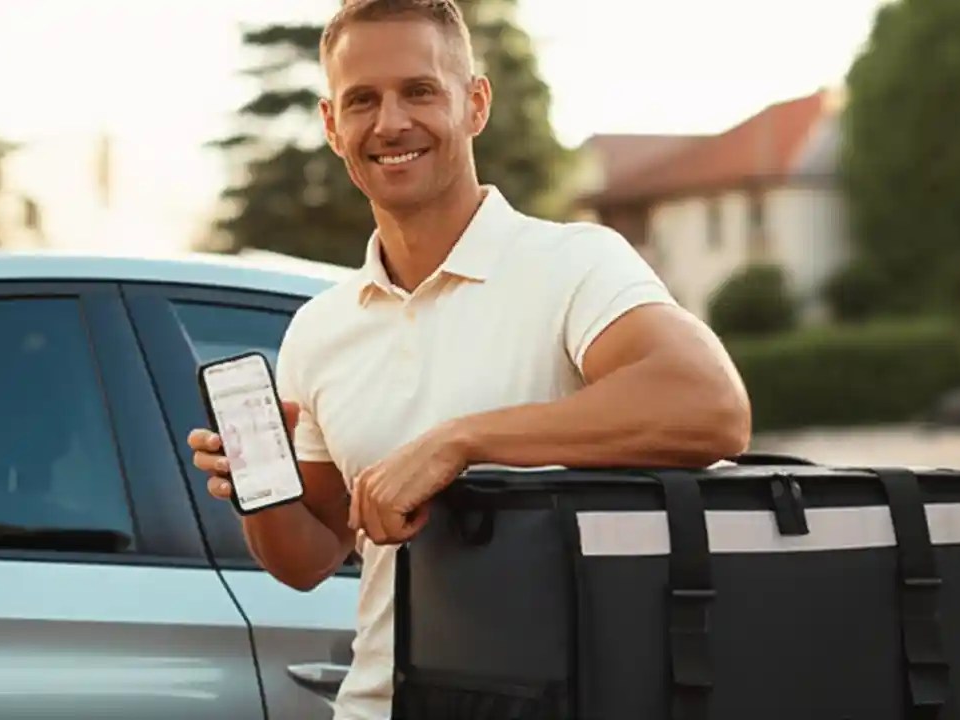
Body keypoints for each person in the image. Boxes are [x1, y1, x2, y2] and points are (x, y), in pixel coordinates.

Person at [187, 0, 752, 717]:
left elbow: (710, 407)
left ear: (474, 103)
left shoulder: (574, 262)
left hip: (552, 704)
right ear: (333, 126)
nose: (391, 122)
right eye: (362, 100)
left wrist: (461, 443)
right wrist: (258, 492)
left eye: (419, 91)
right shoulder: (319, 328)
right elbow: (310, 559)